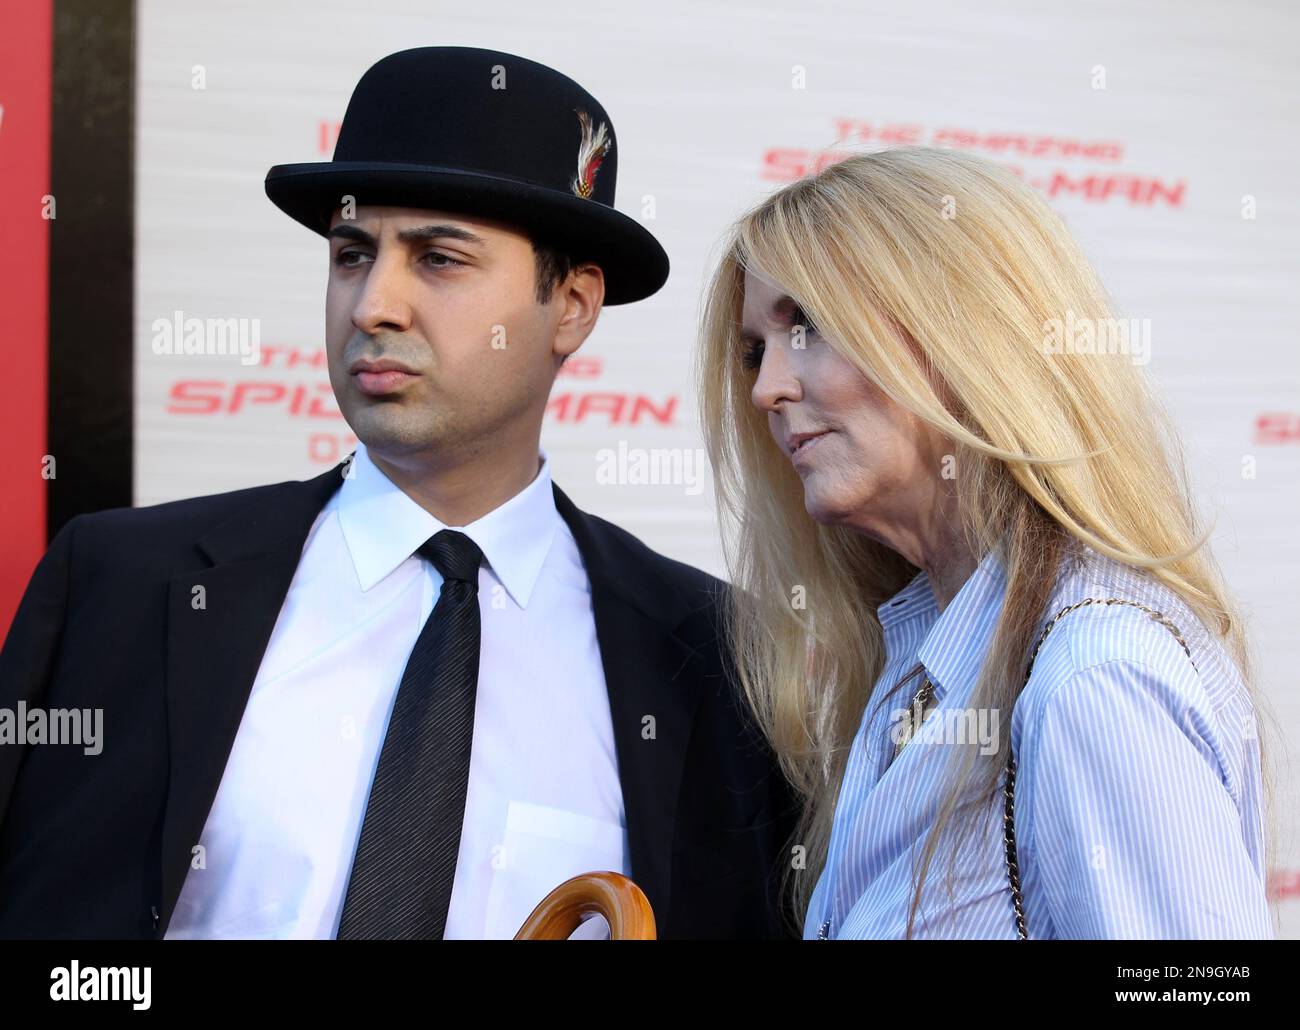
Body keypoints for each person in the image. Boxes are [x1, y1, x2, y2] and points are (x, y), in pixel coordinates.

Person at [0, 46, 796, 940]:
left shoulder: (721, 664)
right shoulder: (119, 585)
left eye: (439, 259)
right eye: (352, 253)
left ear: (571, 305)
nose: (373, 304)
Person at [696, 145, 1277, 939]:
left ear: (965, 334)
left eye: (810, 325)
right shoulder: (921, 656)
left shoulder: (1092, 674)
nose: (766, 389)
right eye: (755, 349)